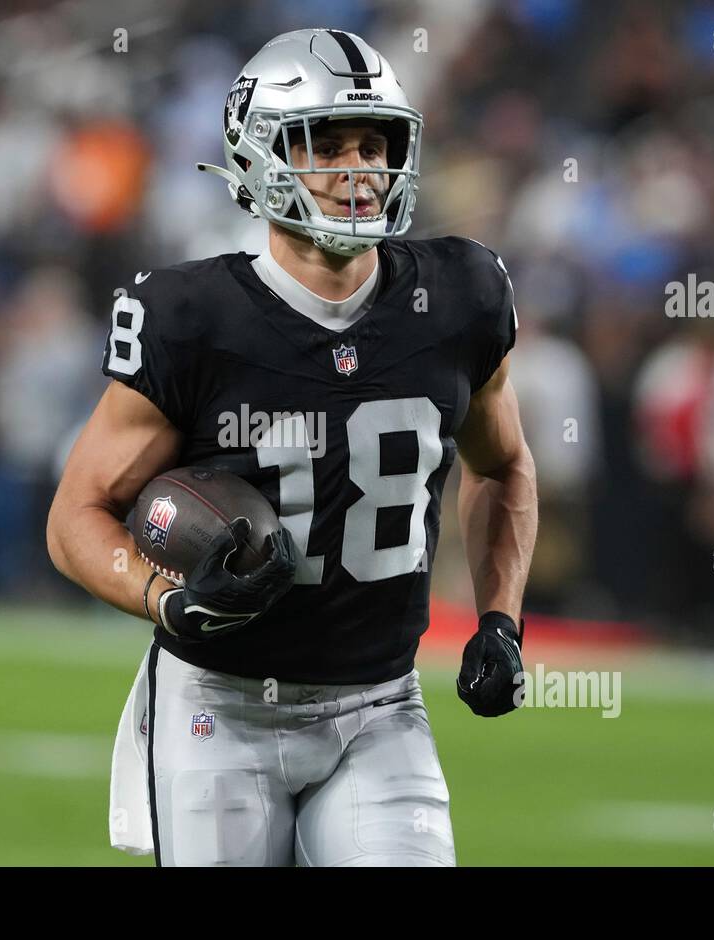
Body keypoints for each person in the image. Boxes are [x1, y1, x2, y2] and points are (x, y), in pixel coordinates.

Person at [47, 29, 537, 866]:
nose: (358, 169)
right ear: (261, 155)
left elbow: (504, 466)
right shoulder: (193, 318)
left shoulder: (462, 297)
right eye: (327, 144)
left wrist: (501, 619)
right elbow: (75, 517)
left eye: (374, 144)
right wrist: (161, 598)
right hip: (219, 707)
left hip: (381, 705)